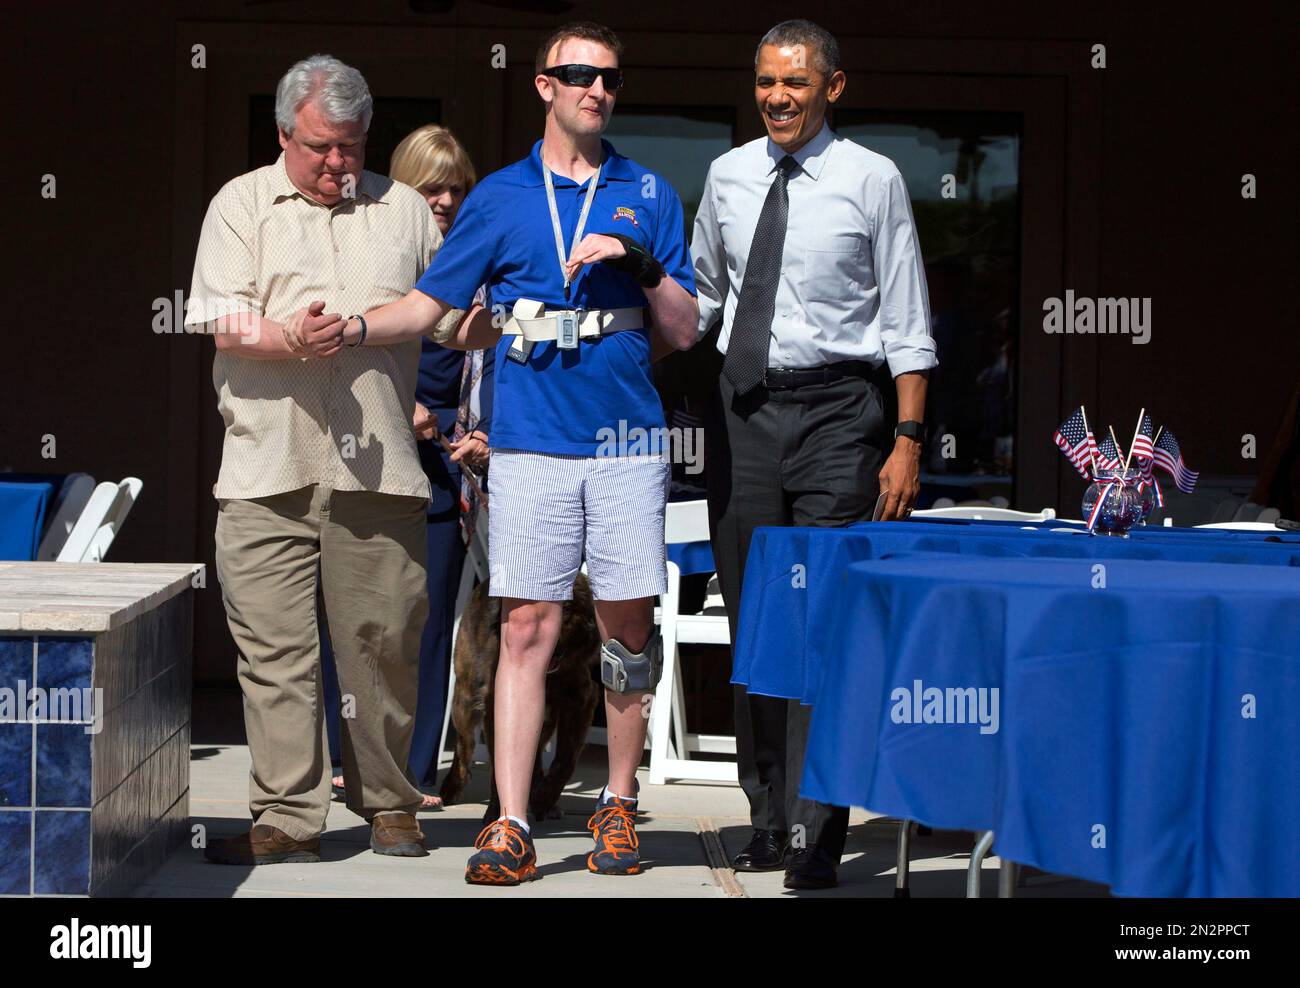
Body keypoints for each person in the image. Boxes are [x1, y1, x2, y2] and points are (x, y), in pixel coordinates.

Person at [335, 21, 699, 884]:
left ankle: (615, 807)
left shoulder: (647, 190)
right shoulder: (499, 196)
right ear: (543, 84)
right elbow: (427, 310)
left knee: (625, 630)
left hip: (623, 441)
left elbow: (683, 329)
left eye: (608, 77)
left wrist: (638, 262)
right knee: (526, 627)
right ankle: (511, 822)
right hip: (530, 440)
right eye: (576, 74)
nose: (594, 90)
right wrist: (349, 327)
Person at [691, 19, 936, 889]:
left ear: (833, 88)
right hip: (745, 413)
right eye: (765, 81)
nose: (777, 97)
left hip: (843, 413)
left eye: (795, 83)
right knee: (755, 618)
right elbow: (707, 302)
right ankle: (763, 815)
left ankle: (815, 831)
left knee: (820, 621)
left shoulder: (874, 179)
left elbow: (906, 324)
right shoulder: (725, 177)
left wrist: (905, 441)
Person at [185, 54, 442, 864]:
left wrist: (501, 317)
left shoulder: (404, 210)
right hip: (268, 466)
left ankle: (391, 805)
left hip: (380, 470)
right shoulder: (240, 204)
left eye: (354, 146)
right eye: (324, 146)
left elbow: (447, 314)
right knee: (275, 656)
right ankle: (289, 818)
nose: (340, 163)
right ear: (286, 132)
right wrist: (290, 338)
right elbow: (226, 323)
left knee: (383, 645)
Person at [325, 125, 493, 806]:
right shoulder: (366, 250)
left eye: (457, 187)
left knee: (422, 625)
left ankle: (415, 771)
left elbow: (487, 365)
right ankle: (354, 763)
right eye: (432, 187)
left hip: (441, 469)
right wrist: (403, 409)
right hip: (364, 454)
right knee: (360, 619)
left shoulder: (478, 263)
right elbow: (340, 342)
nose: (446, 200)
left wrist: (466, 429)